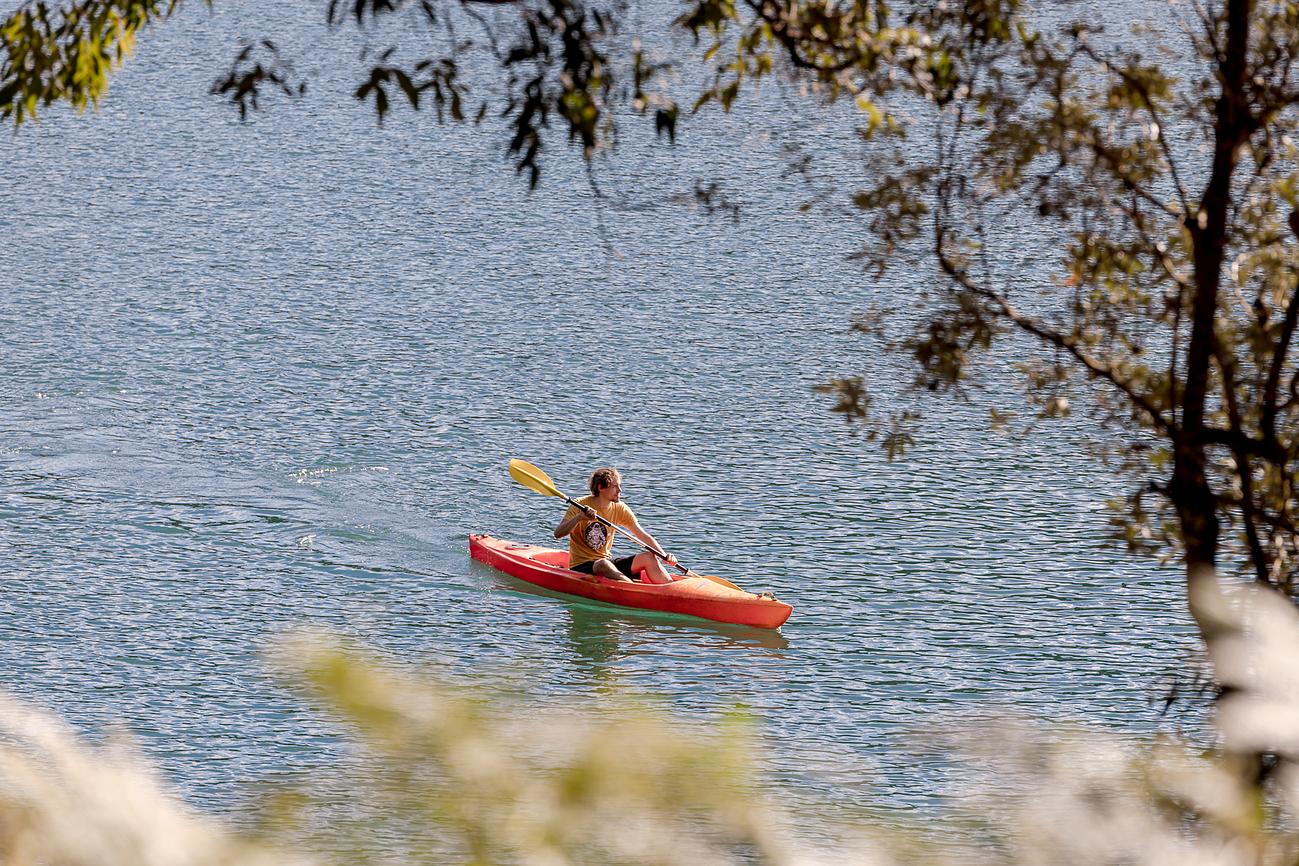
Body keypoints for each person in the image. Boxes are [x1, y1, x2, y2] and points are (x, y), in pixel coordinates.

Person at [553, 467, 677, 583]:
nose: (620, 490)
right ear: (601, 487)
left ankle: (671, 589)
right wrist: (579, 518)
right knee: (602, 563)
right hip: (581, 566)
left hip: (607, 562)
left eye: (619, 486)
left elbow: (643, 536)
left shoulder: (620, 508)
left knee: (648, 557)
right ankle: (631, 589)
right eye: (615, 487)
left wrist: (665, 556)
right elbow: (558, 533)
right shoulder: (579, 505)